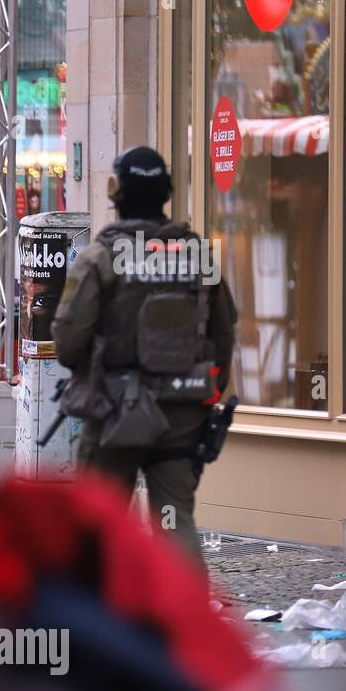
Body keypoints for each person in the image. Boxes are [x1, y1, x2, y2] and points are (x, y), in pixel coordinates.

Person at [52, 146, 237, 566]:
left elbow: (67, 342)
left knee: (98, 523)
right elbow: (224, 332)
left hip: (115, 414)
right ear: (166, 194)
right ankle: (185, 621)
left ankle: (99, 622)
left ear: (117, 195)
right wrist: (205, 391)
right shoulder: (198, 257)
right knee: (174, 523)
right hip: (182, 415)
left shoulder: (100, 259)